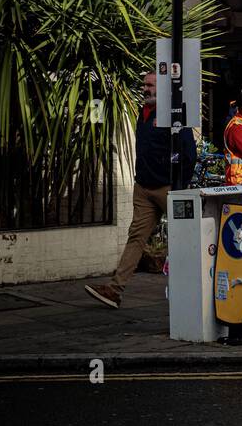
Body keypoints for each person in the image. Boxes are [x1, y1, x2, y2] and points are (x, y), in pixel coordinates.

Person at [84, 70, 196, 309]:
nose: (146, 89)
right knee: (136, 237)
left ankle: (198, 286)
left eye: (151, 85)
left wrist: (180, 186)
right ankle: (114, 290)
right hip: (144, 188)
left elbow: (188, 153)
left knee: (187, 237)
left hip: (168, 188)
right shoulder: (143, 114)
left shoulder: (174, 114)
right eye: (144, 85)